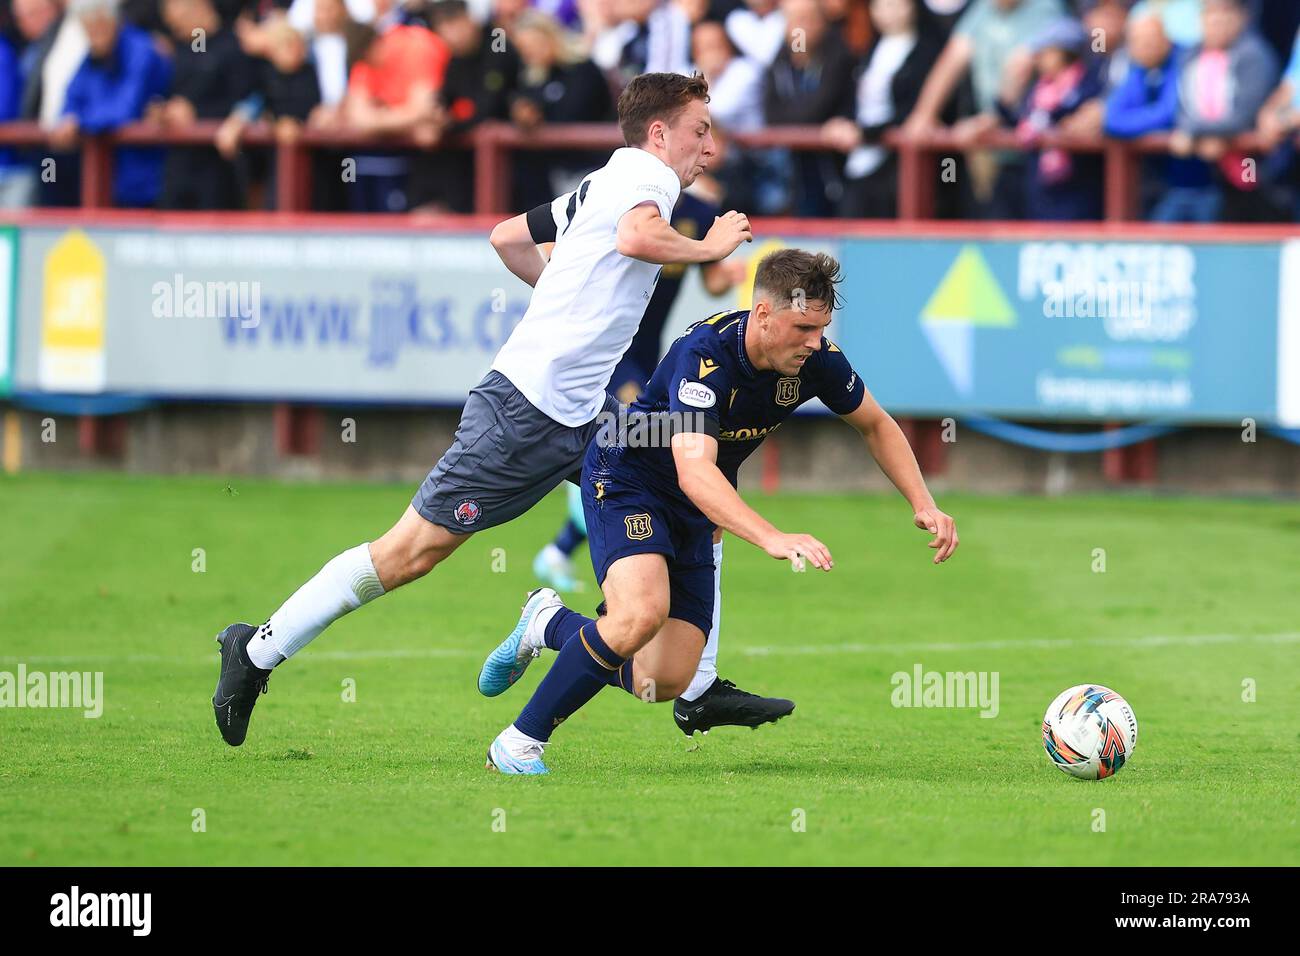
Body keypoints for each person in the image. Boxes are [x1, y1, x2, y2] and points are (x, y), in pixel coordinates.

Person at [210, 71, 754, 748]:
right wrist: (709, 246)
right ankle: (255, 651)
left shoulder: (605, 181)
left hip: (583, 417)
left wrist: (565, 296)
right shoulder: (651, 180)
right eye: (700, 131)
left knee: (696, 479)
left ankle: (696, 686)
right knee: (409, 554)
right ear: (658, 132)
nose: (709, 147)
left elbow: (505, 237)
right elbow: (638, 241)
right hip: (524, 413)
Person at [480, 249, 959, 774]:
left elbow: (876, 424)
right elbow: (695, 470)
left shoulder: (817, 361)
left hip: (696, 505)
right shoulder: (704, 355)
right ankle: (519, 742)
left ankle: (547, 623)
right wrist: (771, 536)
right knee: (641, 613)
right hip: (628, 480)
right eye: (802, 327)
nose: (813, 343)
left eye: (820, 329)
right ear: (762, 314)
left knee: (660, 681)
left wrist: (924, 503)